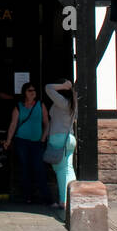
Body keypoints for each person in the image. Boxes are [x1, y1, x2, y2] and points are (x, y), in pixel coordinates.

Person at [4, 81, 49, 204]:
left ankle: (45, 197)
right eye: (30, 90)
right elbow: (13, 124)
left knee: (38, 168)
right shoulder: (19, 106)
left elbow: (46, 122)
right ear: (24, 92)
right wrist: (8, 140)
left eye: (34, 90)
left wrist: (43, 138)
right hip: (21, 141)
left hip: (36, 142)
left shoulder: (40, 105)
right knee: (25, 168)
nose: (33, 92)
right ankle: (27, 196)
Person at [44, 79, 77, 211]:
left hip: (58, 138)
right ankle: (72, 198)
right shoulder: (73, 103)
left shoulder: (62, 102)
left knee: (61, 171)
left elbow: (48, 87)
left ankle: (64, 201)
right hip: (69, 138)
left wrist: (63, 85)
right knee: (68, 169)